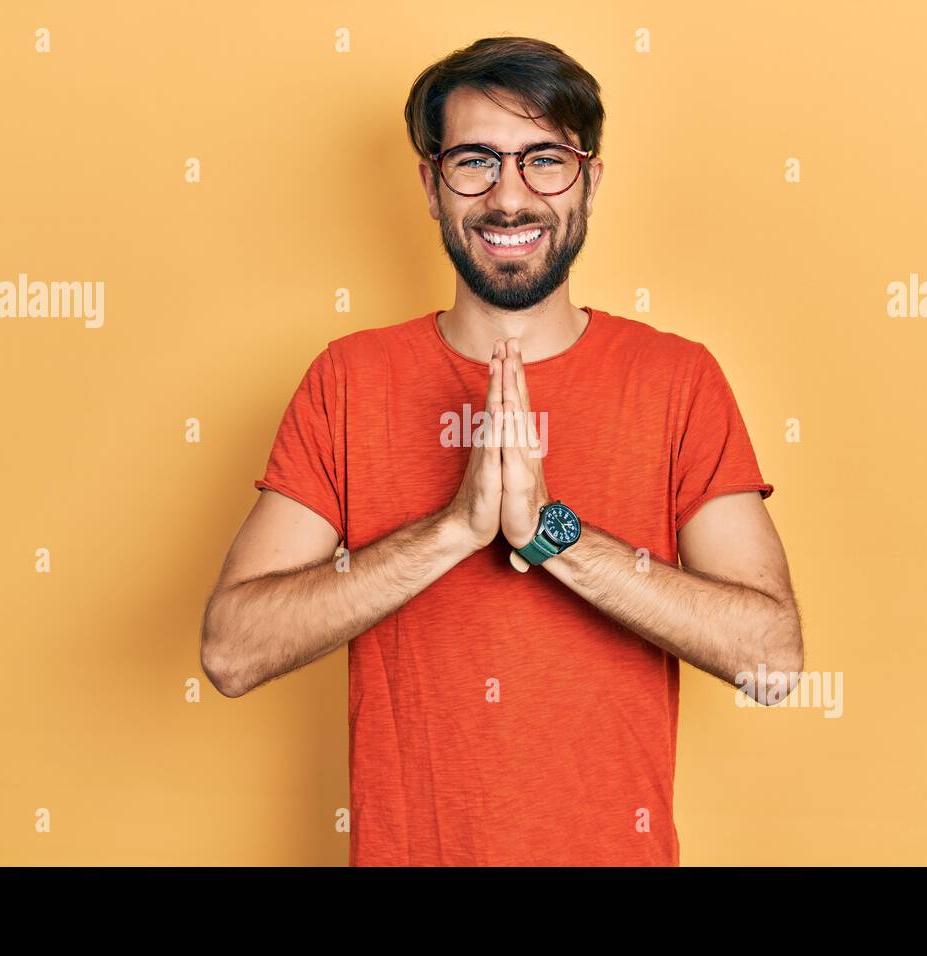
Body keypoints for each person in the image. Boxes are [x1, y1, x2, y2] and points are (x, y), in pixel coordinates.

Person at [201, 36, 802, 866]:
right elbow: (232, 651)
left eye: (544, 161)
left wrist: (551, 534)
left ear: (590, 179)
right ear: (430, 184)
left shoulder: (678, 380)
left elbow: (773, 660)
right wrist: (453, 531)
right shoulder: (350, 379)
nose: (509, 198)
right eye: (475, 162)